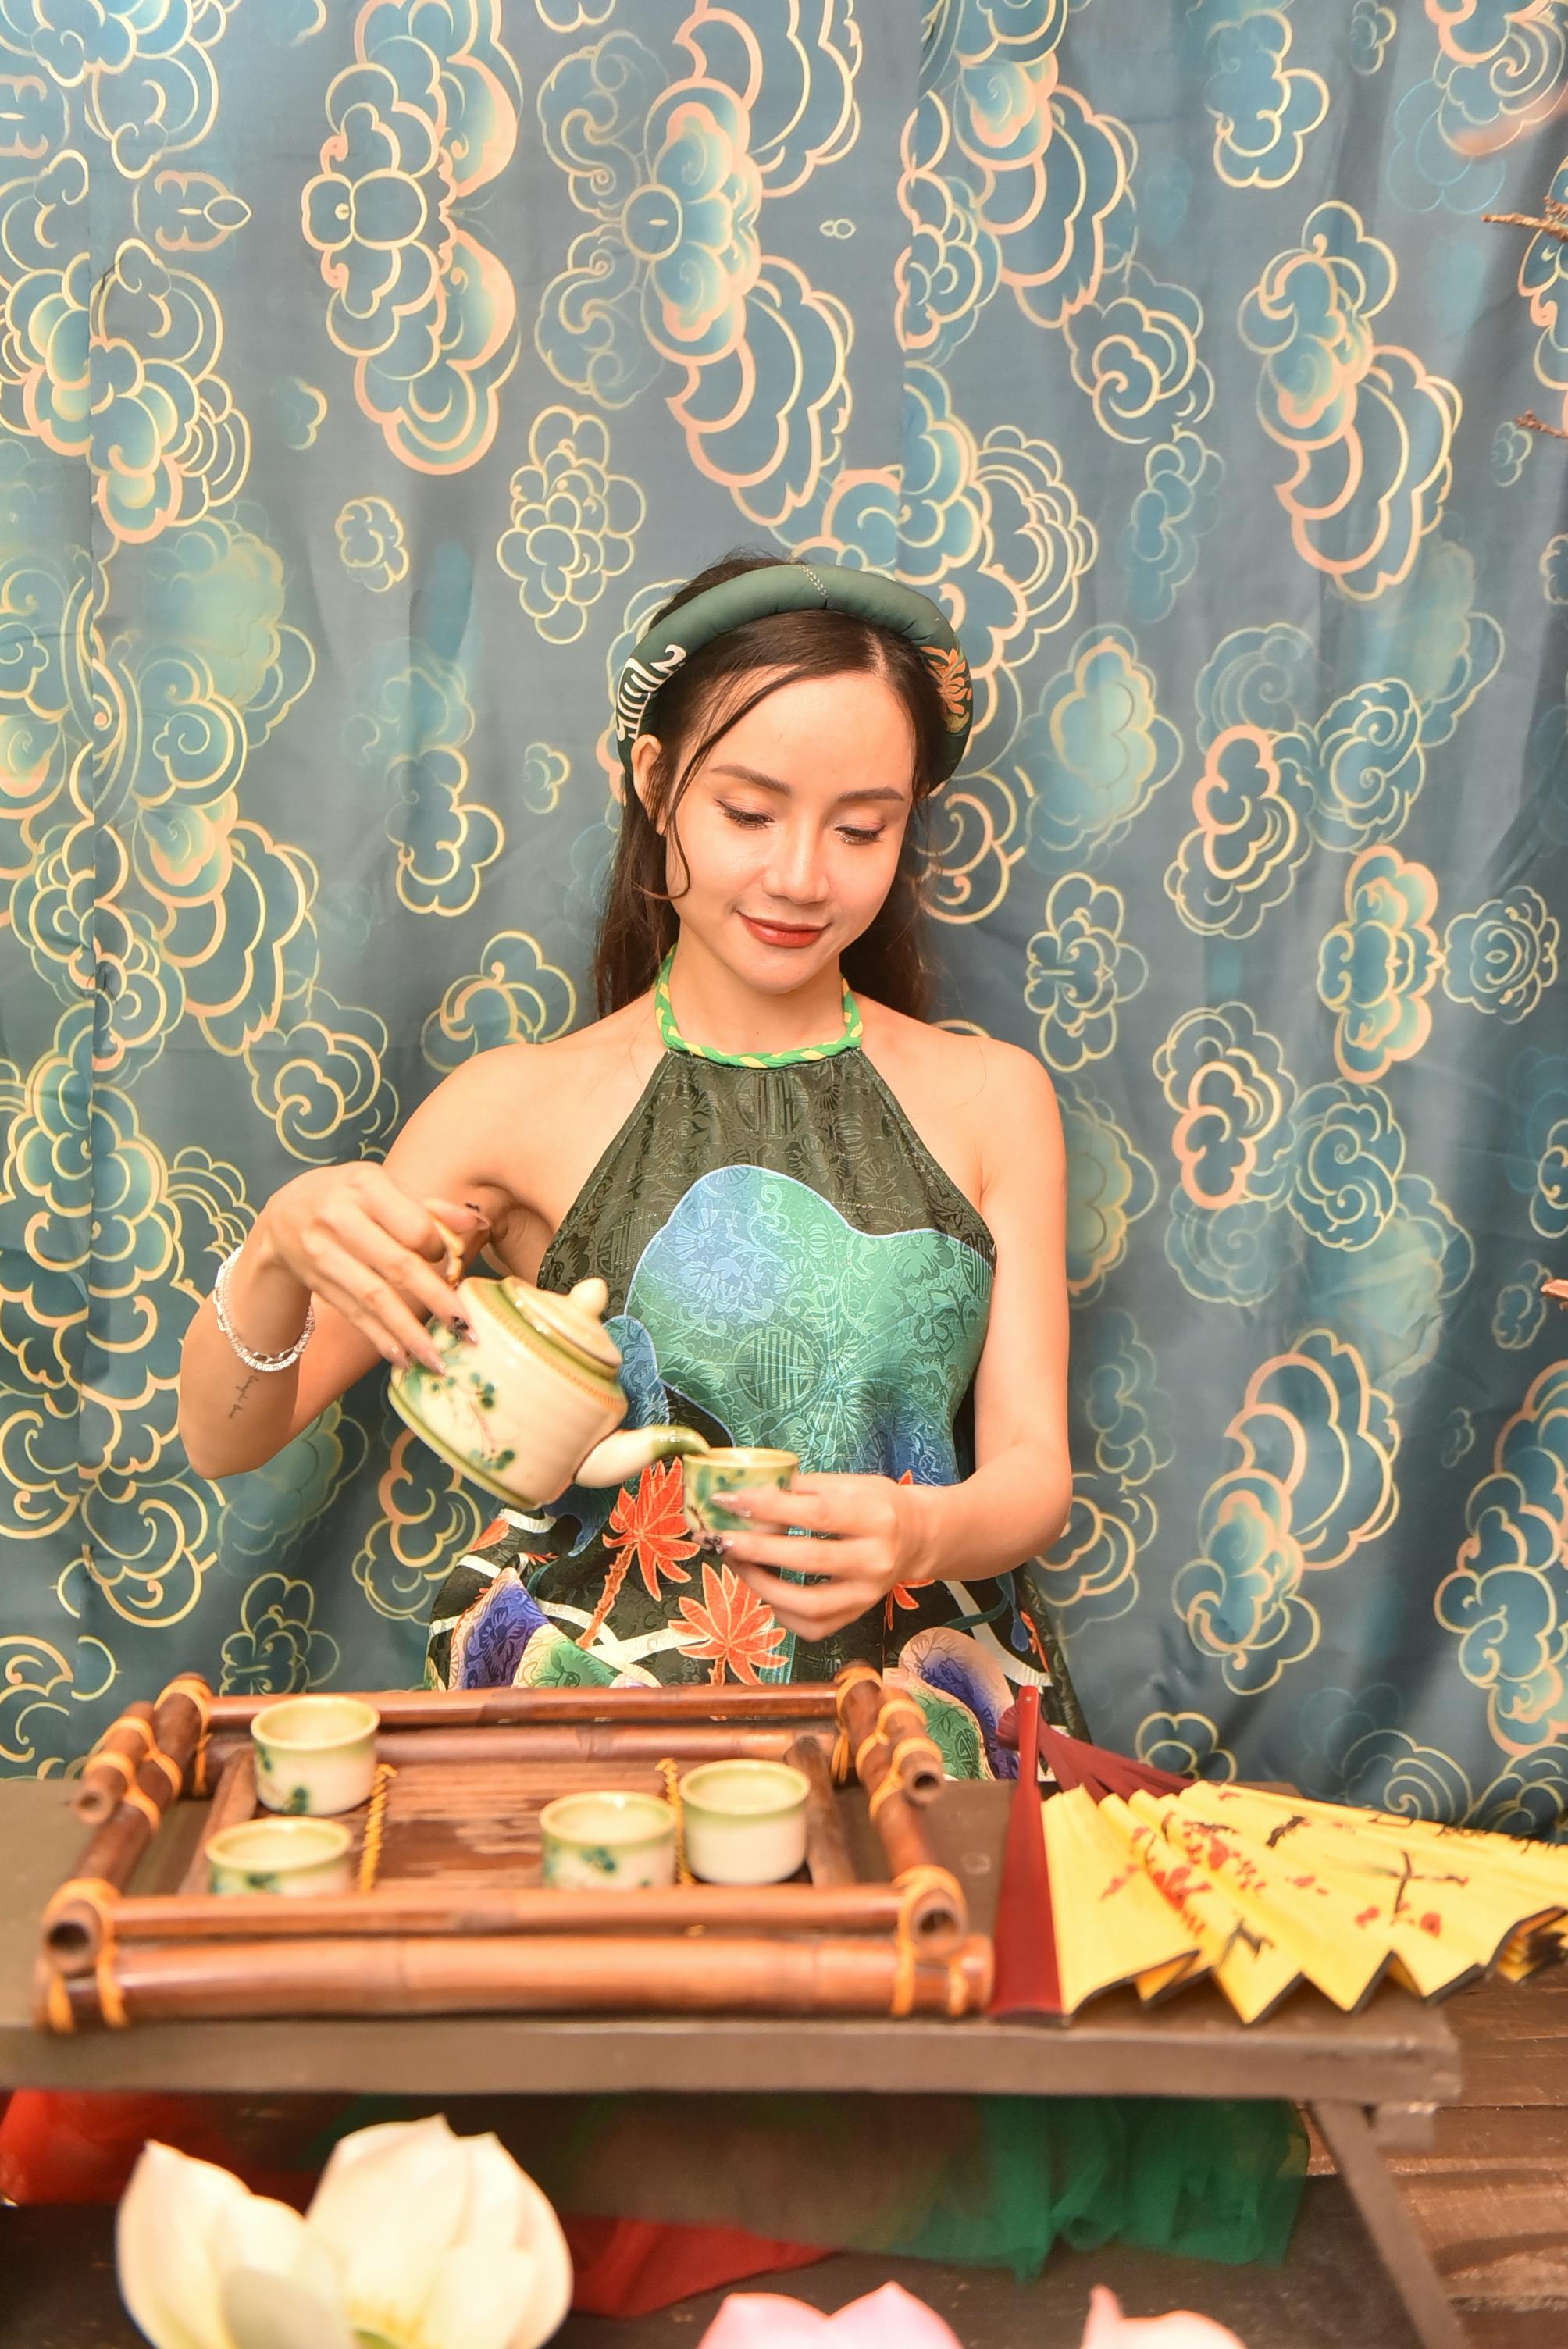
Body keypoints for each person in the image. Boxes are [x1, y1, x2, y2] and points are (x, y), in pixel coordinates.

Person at [179, 552, 1083, 1745]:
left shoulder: (993, 1098)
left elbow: (1033, 1471)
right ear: (655, 782)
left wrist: (922, 1531)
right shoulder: (513, 1108)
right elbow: (228, 1434)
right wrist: (279, 1249)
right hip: (592, 1750)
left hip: (923, 1730)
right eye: (748, 813)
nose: (800, 876)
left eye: (861, 828)